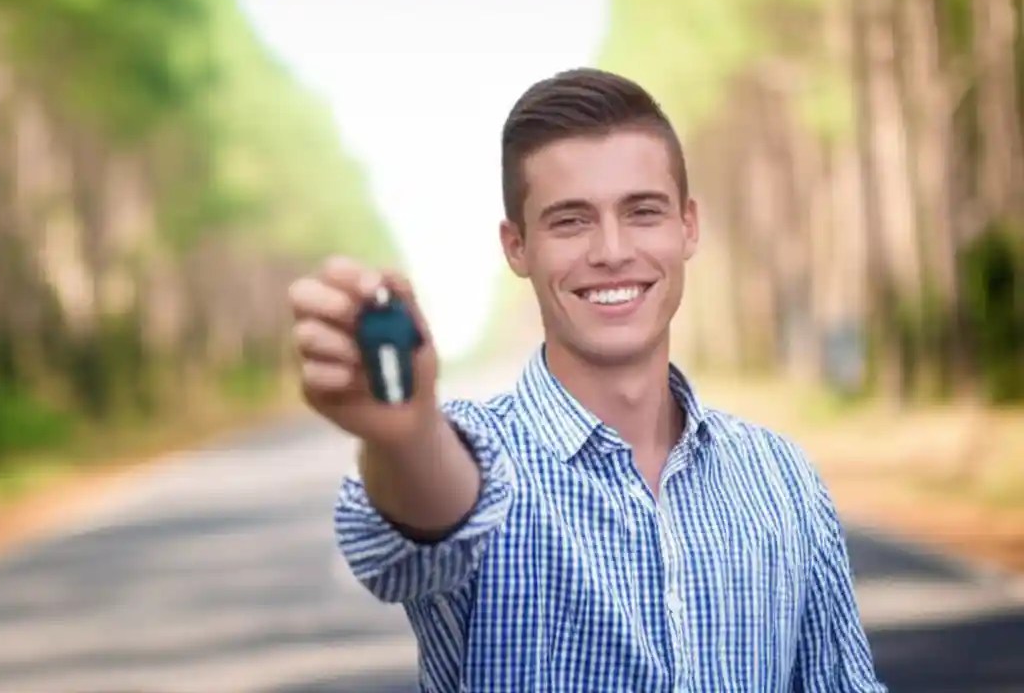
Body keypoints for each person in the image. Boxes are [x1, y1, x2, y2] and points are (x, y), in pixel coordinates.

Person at [286, 68, 886, 692]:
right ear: (517, 247)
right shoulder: (478, 461)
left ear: (688, 226)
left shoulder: (781, 476)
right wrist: (405, 436)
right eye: (571, 221)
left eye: (643, 211)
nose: (611, 250)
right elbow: (428, 517)